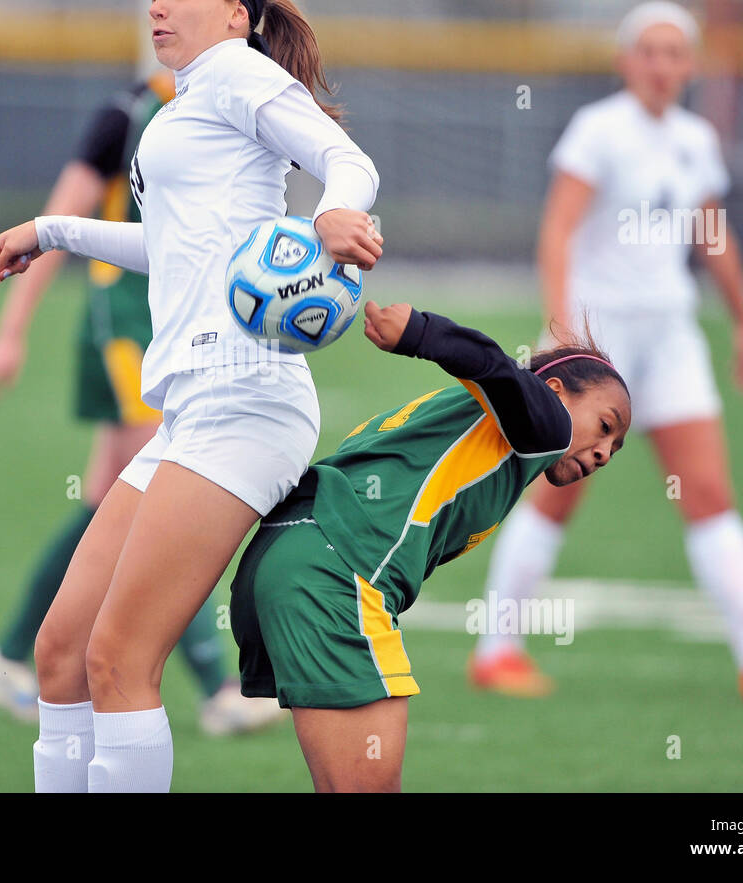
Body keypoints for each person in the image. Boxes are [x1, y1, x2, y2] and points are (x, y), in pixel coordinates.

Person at [0, 0, 383, 793]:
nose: (157, 4)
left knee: (120, 658)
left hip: (246, 401)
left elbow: (347, 161)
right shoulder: (184, 100)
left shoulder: (238, 73)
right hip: (192, 410)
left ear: (237, 13)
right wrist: (49, 231)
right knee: (62, 653)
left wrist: (332, 219)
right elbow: (168, 244)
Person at [468, 1, 743, 702]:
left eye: (676, 53)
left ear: (691, 65)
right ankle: (496, 649)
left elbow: (712, 235)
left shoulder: (696, 138)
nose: (663, 65)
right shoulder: (597, 130)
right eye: (650, 50)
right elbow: (557, 231)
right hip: (599, 339)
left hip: (671, 333)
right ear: (626, 59)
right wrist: (564, 331)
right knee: (559, 493)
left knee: (708, 492)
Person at [0, 68, 285, 736]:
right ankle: (218, 684)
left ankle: (4, 654)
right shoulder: (128, 113)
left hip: (179, 317)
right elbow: (57, 221)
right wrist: (10, 332)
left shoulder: (235, 102)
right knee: (166, 490)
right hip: (126, 321)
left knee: (109, 499)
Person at [230, 299, 632, 792]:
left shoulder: (480, 425)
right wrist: (420, 332)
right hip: (337, 574)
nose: (604, 452)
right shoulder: (547, 425)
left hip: (286, 555)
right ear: (552, 392)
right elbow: (494, 366)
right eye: (606, 427)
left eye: (615, 449)